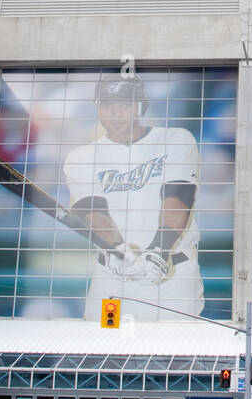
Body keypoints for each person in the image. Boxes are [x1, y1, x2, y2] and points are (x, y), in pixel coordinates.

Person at [62, 76, 203, 321]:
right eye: (107, 105)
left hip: (172, 273)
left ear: (140, 106)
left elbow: (178, 198)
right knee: (105, 347)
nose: (115, 113)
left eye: (124, 104)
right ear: (97, 108)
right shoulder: (81, 156)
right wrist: (116, 249)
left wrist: (159, 249)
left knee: (178, 351)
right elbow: (93, 211)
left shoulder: (175, 139)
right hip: (114, 277)